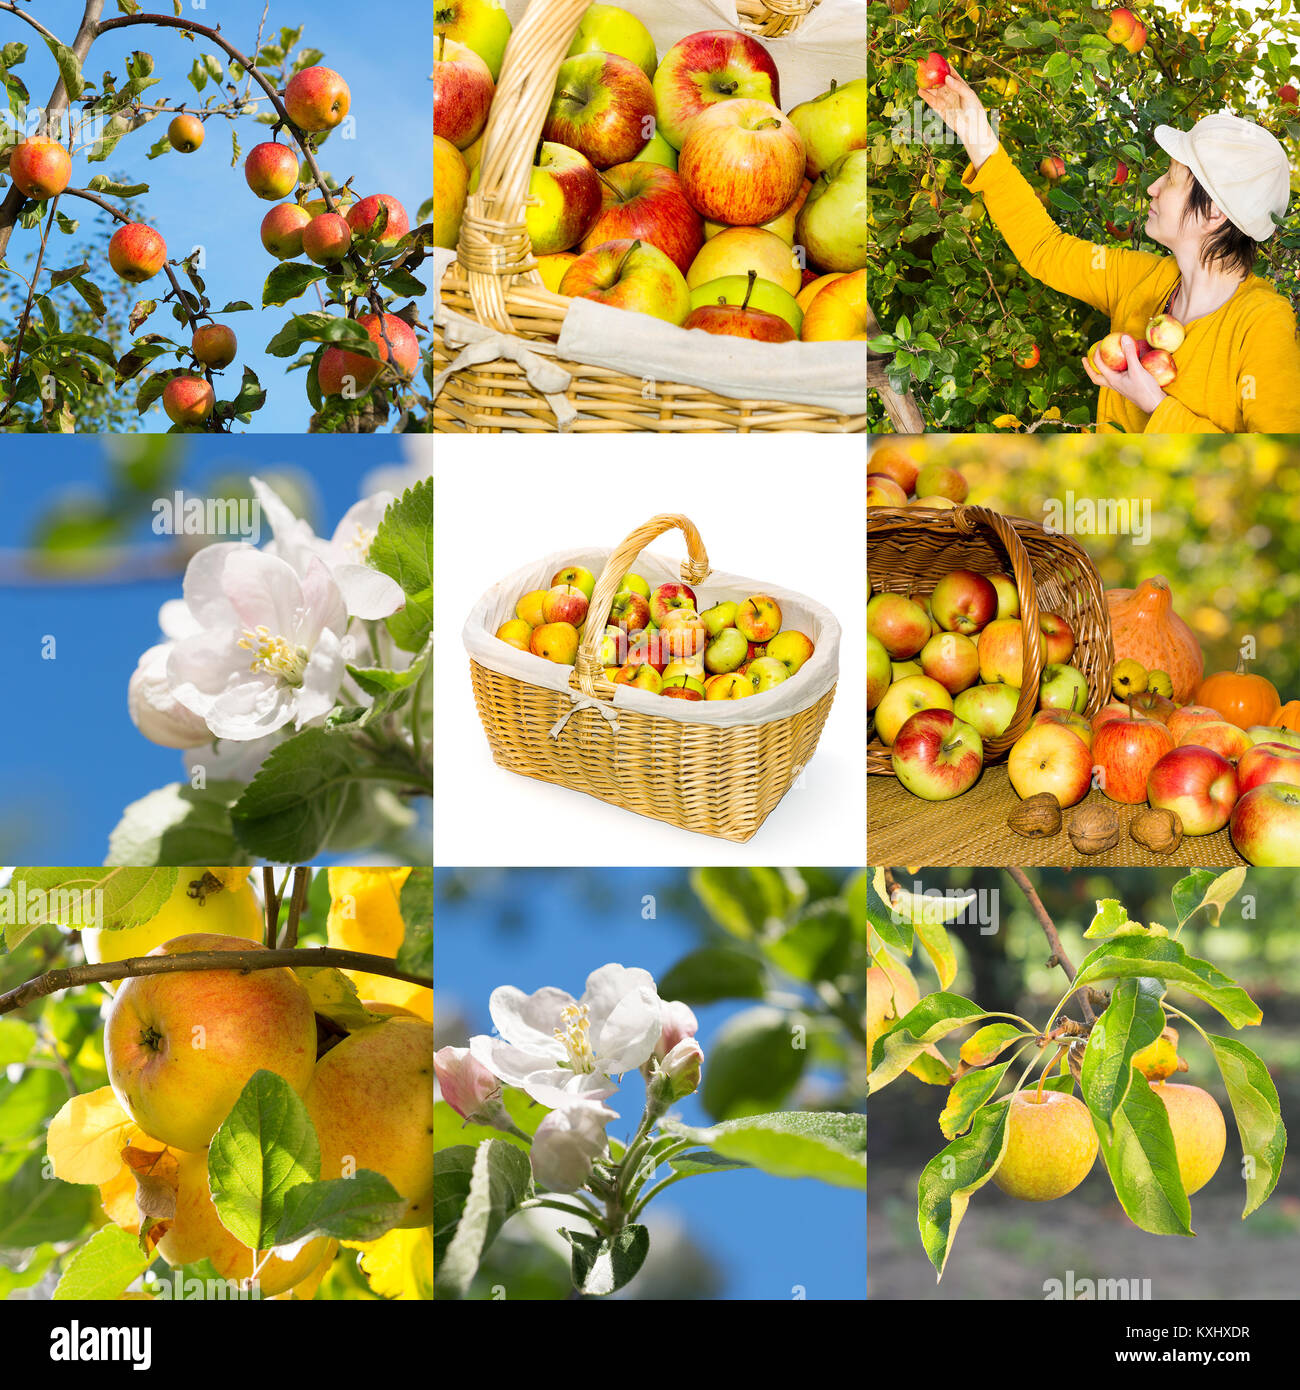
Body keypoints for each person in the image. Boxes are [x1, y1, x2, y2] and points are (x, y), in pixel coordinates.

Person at [919, 69, 1300, 432]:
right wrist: (977, 134)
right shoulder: (1144, 279)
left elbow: (1280, 476)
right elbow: (1045, 248)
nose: (1153, 187)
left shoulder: (1262, 324)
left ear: (1214, 212)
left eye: (1171, 178)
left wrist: (1157, 405)